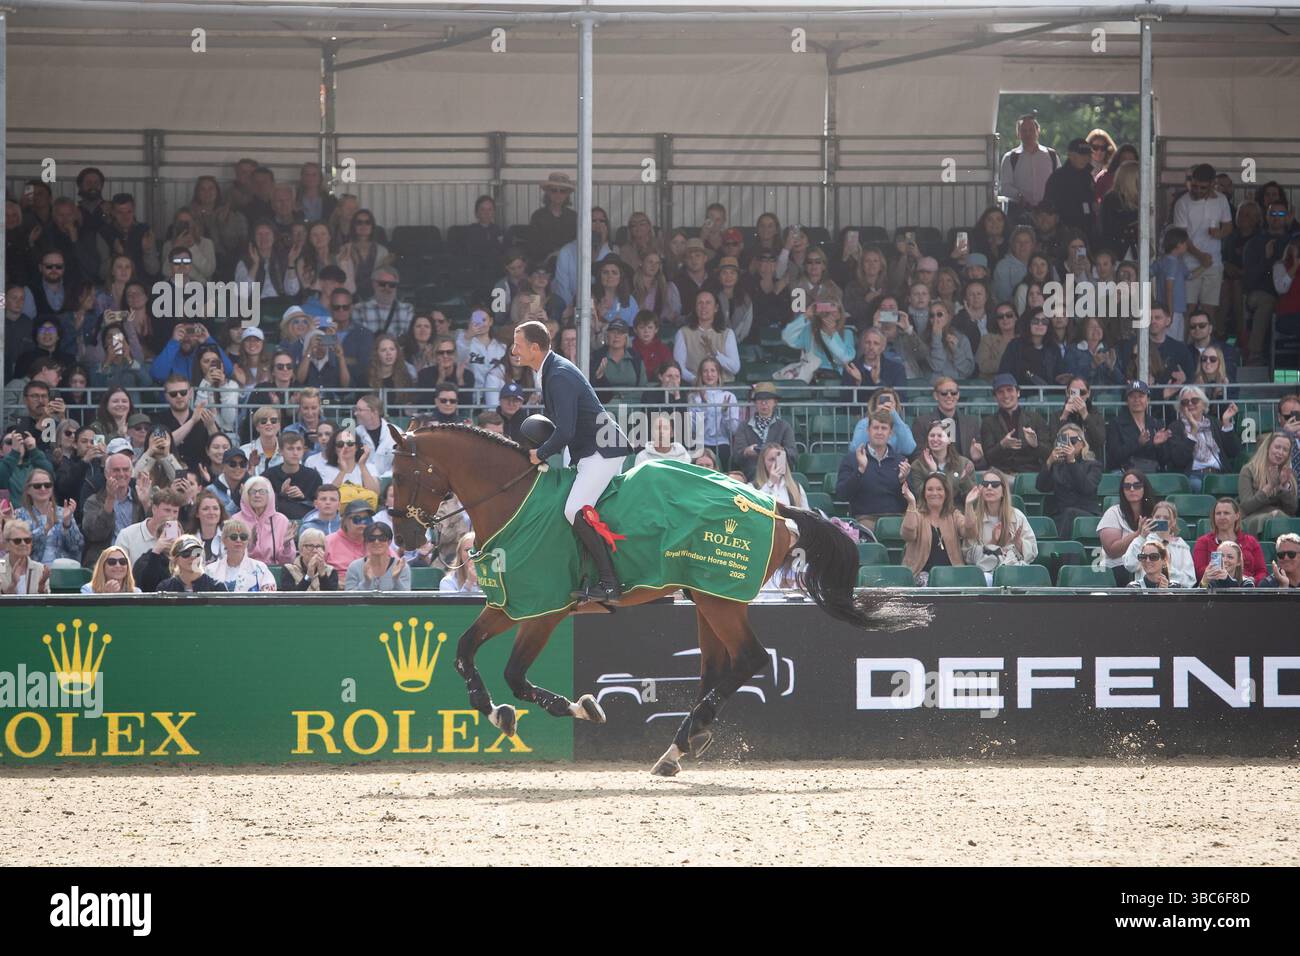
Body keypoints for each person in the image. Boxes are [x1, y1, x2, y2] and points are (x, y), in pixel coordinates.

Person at [513, 319, 633, 603]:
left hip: (601, 451)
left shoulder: (558, 375)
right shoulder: (550, 370)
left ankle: (610, 584)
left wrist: (539, 454)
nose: (513, 350)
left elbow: (564, 430)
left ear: (534, 347)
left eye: (517, 345)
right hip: (590, 449)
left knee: (574, 511)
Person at [1171, 163, 1234, 334]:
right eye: (1195, 186)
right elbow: (1181, 237)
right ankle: (1185, 350)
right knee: (1188, 309)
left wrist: (1220, 234)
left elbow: (1228, 226)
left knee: (1210, 310)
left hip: (1214, 262)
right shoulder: (1182, 203)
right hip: (1189, 263)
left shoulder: (1221, 200)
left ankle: (1207, 349)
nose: (1197, 190)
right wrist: (1200, 256)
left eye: (1203, 187)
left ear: (1213, 184)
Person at [837, 410, 909, 532]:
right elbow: (842, 494)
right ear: (868, 431)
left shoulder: (901, 461)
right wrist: (860, 470)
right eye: (875, 428)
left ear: (890, 433)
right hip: (864, 518)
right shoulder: (852, 459)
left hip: (896, 519)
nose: (879, 432)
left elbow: (910, 502)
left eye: (884, 428)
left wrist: (903, 481)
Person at [963, 469, 1037, 585]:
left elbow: (1033, 551)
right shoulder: (975, 519)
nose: (989, 487)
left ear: (1003, 491)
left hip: (1013, 571)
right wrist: (993, 543)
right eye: (985, 484)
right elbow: (968, 555)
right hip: (986, 573)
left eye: (995, 485)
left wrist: (1019, 543)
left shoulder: (1017, 516)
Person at [1166, 385, 1240, 492]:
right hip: (1193, 475)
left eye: (1195, 400)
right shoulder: (1175, 427)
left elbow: (1233, 451)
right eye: (1185, 402)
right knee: (1199, 486)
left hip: (1218, 474)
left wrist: (1226, 423)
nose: (1190, 404)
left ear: (1203, 404)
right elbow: (1179, 460)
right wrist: (1193, 431)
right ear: (1181, 407)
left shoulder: (1214, 423)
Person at [901, 472, 968, 586]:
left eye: (939, 489)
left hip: (952, 575)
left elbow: (969, 532)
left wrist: (969, 505)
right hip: (921, 575)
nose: (934, 493)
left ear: (946, 493)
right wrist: (911, 504)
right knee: (928, 581)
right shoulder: (916, 514)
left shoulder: (954, 515)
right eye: (930, 489)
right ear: (924, 493)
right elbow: (908, 534)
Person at [979, 374, 1047, 474]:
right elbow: (988, 457)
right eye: (1000, 392)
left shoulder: (1035, 418)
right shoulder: (988, 422)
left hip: (1029, 474)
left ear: (1018, 393)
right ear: (995, 397)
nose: (1006, 395)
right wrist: (1002, 445)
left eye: (1009, 390)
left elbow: (1048, 452)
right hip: (1001, 475)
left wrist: (1035, 445)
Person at [730, 382, 797, 483]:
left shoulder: (784, 426)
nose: (764, 403)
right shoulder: (744, 426)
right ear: (755, 403)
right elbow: (736, 456)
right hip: (752, 473)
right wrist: (747, 451)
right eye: (760, 400)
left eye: (768, 400)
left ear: (775, 402)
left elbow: (793, 454)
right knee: (754, 470)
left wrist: (778, 452)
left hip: (779, 470)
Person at [1121, 499, 1196, 588]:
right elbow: (1130, 565)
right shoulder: (1142, 541)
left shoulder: (1181, 547)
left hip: (1173, 596)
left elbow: (1190, 581)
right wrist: (1141, 538)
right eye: (1157, 517)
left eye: (1166, 518)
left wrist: (1165, 570)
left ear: (1173, 522)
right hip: (1145, 594)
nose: (1161, 520)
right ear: (1152, 518)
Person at [998, 112, 1060, 221]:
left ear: (1038, 131)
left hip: (1048, 213)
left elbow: (1060, 182)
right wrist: (1019, 196)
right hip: (1020, 213)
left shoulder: (1051, 155)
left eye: (1031, 130)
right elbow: (1005, 186)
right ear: (1018, 134)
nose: (1028, 134)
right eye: (1023, 130)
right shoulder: (1010, 158)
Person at [15, 468, 83, 566]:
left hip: (62, 572)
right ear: (28, 490)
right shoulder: (20, 515)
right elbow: (21, 548)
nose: (43, 488)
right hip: (32, 570)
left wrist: (67, 524)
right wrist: (45, 529)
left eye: (47, 485)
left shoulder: (64, 512)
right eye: (37, 486)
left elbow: (77, 547)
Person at [1192, 497, 1267, 584]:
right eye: (1218, 513)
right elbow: (1199, 571)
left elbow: (1262, 571)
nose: (1222, 517)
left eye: (1226, 513)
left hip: (1246, 590)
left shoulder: (1251, 541)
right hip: (1216, 589)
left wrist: (1252, 581)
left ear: (1237, 516)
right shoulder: (1203, 542)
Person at [674, 289, 740, 385]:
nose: (703, 306)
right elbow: (679, 368)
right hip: (694, 387)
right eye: (700, 303)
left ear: (716, 308)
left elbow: (735, 368)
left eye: (708, 303)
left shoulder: (727, 333)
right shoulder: (683, 333)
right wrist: (697, 381)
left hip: (723, 387)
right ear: (695, 308)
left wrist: (715, 354)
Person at [1237, 432, 1298, 535]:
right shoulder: (1249, 470)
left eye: (1285, 450)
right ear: (1268, 448)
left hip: (1281, 519)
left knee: (1279, 518)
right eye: (1277, 447)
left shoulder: (1288, 475)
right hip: (1253, 519)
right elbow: (1246, 507)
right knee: (1275, 518)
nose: (1280, 452)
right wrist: (1269, 487)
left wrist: (1282, 488)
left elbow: (1292, 510)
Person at [236, 475, 296, 566]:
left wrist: (286, 546)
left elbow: (288, 562)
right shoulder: (236, 520)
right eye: (252, 492)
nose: (257, 495)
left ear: (270, 495)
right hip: (244, 572)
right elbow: (232, 557)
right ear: (246, 495)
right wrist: (250, 547)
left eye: (262, 492)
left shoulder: (281, 520)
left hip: (274, 574)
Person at [910, 420, 975, 504]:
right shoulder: (918, 465)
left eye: (940, 436)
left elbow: (973, 500)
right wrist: (933, 473)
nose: (935, 439)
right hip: (929, 514)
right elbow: (920, 496)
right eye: (932, 435)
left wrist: (964, 481)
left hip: (958, 513)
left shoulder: (964, 464)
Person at [205, 517, 277, 591]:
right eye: (234, 537)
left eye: (243, 537)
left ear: (247, 541)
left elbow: (270, 596)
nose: (238, 540)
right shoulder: (210, 570)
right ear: (224, 540)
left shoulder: (260, 568)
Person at [263, 431, 321, 522]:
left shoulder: (313, 476)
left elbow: (318, 504)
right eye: (290, 449)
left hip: (307, 522)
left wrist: (303, 498)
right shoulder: (268, 475)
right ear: (280, 451)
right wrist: (281, 495)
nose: (295, 453)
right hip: (275, 522)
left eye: (299, 449)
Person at [345, 521, 410, 591]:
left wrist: (396, 579)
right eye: (371, 538)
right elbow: (349, 598)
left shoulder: (400, 566)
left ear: (389, 542)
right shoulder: (354, 567)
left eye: (382, 538)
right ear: (366, 542)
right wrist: (366, 582)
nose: (376, 542)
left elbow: (406, 599)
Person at [528, 172, 578, 263]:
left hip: (569, 262)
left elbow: (577, 243)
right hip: (543, 263)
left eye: (562, 191)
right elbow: (533, 246)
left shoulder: (574, 217)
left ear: (567, 194)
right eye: (554, 190)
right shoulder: (537, 216)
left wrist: (561, 253)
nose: (558, 194)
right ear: (548, 192)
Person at [850, 389, 916, 457]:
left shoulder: (901, 425)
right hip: (868, 461)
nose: (885, 405)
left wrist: (895, 417)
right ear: (875, 406)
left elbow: (909, 449)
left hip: (892, 463)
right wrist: (872, 419)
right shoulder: (864, 423)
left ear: (896, 406)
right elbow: (855, 448)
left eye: (890, 402)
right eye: (881, 402)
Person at [156, 535, 227, 593]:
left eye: (197, 552)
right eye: (186, 553)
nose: (192, 557)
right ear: (175, 559)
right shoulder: (165, 589)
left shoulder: (217, 588)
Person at [326, 498, 380, 574]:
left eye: (367, 519)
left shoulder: (378, 542)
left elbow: (396, 564)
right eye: (357, 519)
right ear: (345, 521)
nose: (362, 523)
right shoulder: (328, 542)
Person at [0, 519, 50, 594]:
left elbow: (46, 604)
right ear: (7, 544)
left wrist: (41, 587)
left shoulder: (40, 569)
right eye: (17, 541)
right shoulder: (1, 566)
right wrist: (13, 584)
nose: (23, 544)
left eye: (27, 540)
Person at [281, 527, 339, 591]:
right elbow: (292, 599)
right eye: (310, 546)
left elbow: (331, 599)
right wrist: (308, 576)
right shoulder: (290, 570)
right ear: (301, 550)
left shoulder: (330, 571)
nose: (314, 550)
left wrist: (323, 575)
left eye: (318, 546)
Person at [975, 302, 1020, 380]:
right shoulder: (987, 339)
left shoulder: (1023, 340)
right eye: (1000, 316)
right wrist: (1010, 362)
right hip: (993, 384)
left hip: (1020, 384)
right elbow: (983, 366)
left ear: (1016, 317)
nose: (1005, 319)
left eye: (1009, 315)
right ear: (996, 320)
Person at [752, 443, 806, 508]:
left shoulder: (797, 487)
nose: (776, 463)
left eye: (779, 459)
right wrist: (770, 483)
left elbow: (806, 514)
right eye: (771, 459)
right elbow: (754, 508)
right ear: (763, 463)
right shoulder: (752, 487)